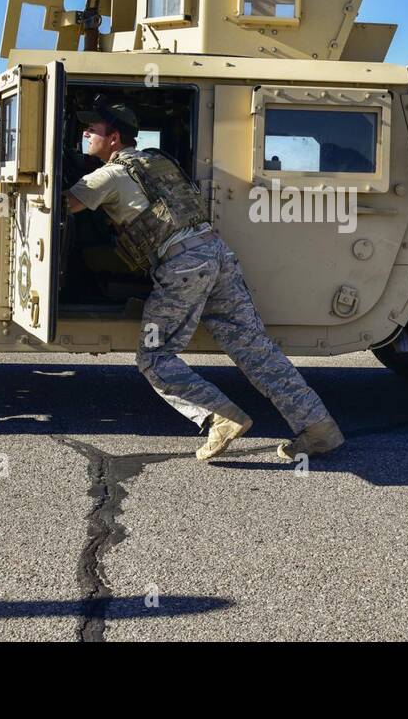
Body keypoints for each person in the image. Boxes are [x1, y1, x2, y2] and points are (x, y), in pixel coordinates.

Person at [63, 100, 345, 460]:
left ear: (114, 138)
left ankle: (221, 418)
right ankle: (319, 428)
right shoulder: (156, 161)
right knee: (256, 350)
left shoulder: (108, 176)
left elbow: (62, 205)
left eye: (94, 129)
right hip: (216, 254)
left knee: (155, 357)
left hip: (182, 265)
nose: (86, 133)